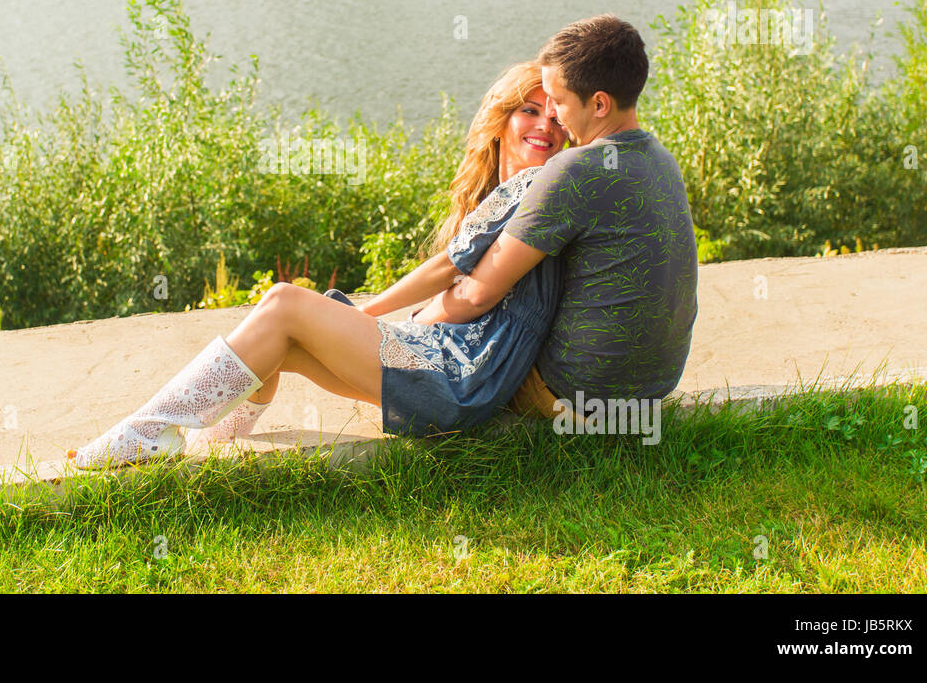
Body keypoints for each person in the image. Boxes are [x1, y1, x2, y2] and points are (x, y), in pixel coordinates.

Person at [74, 60, 569, 469]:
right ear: (501, 120)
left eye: (555, 117)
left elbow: (447, 271)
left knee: (285, 303)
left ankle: (149, 430)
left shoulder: (537, 188)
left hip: (461, 377)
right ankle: (209, 443)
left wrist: (366, 315)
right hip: (458, 368)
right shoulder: (508, 193)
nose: (544, 126)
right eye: (529, 111)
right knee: (277, 340)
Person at [430, 15, 699, 421]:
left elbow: (478, 295)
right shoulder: (663, 161)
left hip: (577, 394)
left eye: (557, 102)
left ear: (599, 104)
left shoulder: (577, 169)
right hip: (654, 387)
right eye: (535, 107)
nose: (553, 117)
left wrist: (407, 329)